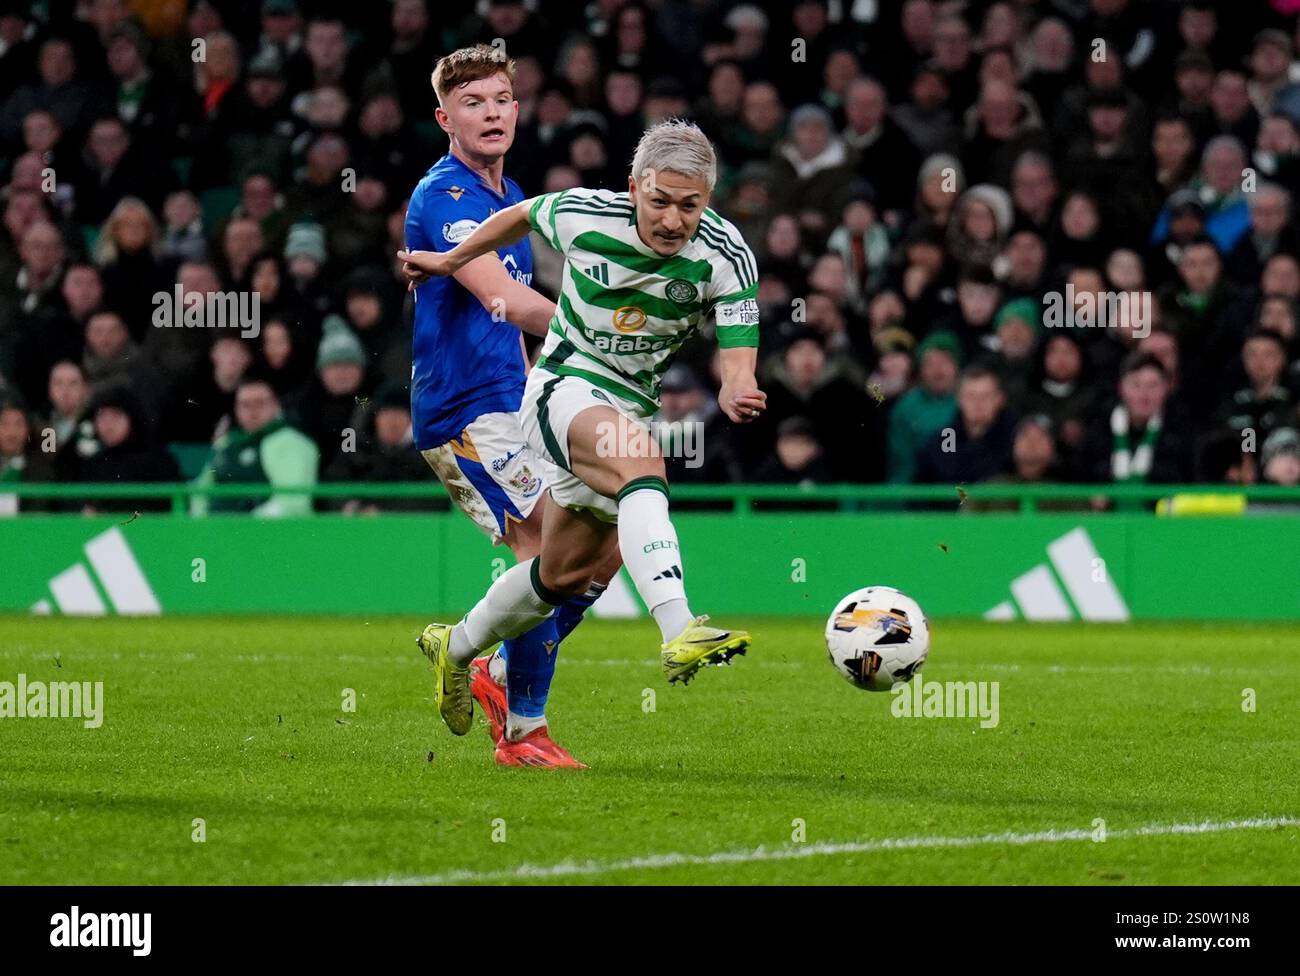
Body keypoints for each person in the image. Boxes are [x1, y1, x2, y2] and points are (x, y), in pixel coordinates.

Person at [399, 118, 765, 752]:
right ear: (633, 188)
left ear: (708, 200)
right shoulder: (584, 213)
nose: (674, 220)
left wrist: (738, 385)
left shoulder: (726, 254)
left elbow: (737, 349)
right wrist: (452, 260)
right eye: (659, 202)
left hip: (630, 404)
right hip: (560, 386)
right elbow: (517, 217)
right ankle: (679, 628)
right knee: (643, 466)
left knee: (561, 577)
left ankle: (454, 648)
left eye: (690, 205)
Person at [402, 45, 617, 769]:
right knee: (546, 552)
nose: (490, 113)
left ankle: (481, 657)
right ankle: (524, 731)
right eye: (472, 103)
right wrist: (597, 332)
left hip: (513, 403)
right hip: (463, 413)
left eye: (500, 100)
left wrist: (546, 391)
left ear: (518, 111)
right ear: (444, 118)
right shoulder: (444, 198)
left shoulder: (510, 194)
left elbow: (514, 327)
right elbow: (501, 296)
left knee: (605, 549)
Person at [191, 374, 318, 518]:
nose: (252, 411)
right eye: (245, 404)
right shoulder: (225, 443)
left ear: (275, 405)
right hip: (216, 533)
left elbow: (293, 503)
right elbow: (201, 493)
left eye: (260, 403)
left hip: (265, 535)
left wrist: (246, 526)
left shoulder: (291, 442)